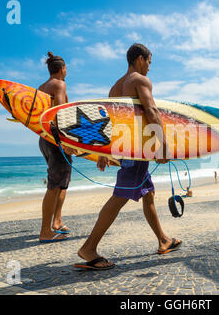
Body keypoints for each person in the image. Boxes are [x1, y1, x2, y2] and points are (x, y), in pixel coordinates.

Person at [76, 44, 181, 270]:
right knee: (119, 197)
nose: (150, 69)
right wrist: (163, 143)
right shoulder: (140, 81)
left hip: (126, 149)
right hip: (136, 150)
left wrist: (104, 151)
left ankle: (163, 240)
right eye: (149, 62)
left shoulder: (114, 88)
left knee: (149, 194)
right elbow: (151, 110)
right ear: (140, 59)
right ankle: (89, 248)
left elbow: (111, 122)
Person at [38, 52, 77, 243]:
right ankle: (45, 231)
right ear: (62, 69)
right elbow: (59, 113)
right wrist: (67, 142)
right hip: (56, 140)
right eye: (66, 68)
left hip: (44, 140)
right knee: (54, 186)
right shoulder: (59, 84)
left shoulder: (41, 87)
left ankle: (57, 221)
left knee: (61, 182)